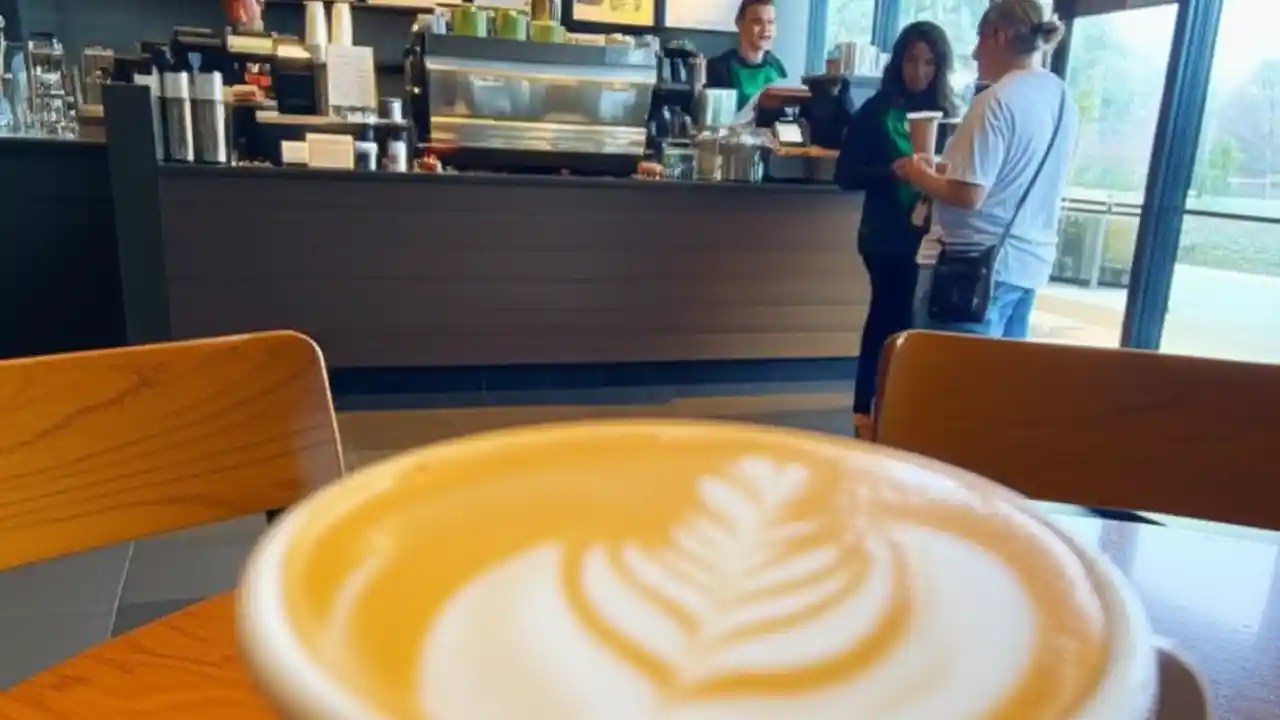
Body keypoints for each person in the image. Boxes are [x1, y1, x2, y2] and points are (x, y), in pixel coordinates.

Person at [894, 0, 1079, 339]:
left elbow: (969, 194)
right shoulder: (1061, 97)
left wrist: (918, 173)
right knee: (996, 383)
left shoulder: (996, 101)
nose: (975, 53)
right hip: (1027, 266)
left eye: (980, 38)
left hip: (972, 268)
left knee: (951, 384)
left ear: (999, 35)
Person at [836, 21, 956, 439]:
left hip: (930, 235)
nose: (919, 71)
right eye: (911, 59)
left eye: (929, 62)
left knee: (912, 322)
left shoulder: (952, 114)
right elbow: (846, 174)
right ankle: (865, 409)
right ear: (898, 61)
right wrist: (892, 172)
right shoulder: (877, 110)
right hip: (885, 234)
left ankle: (901, 407)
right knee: (889, 315)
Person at [705, 0, 787, 111]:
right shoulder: (720, 67)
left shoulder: (776, 66)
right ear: (739, 24)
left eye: (771, 22)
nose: (766, 29)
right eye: (757, 22)